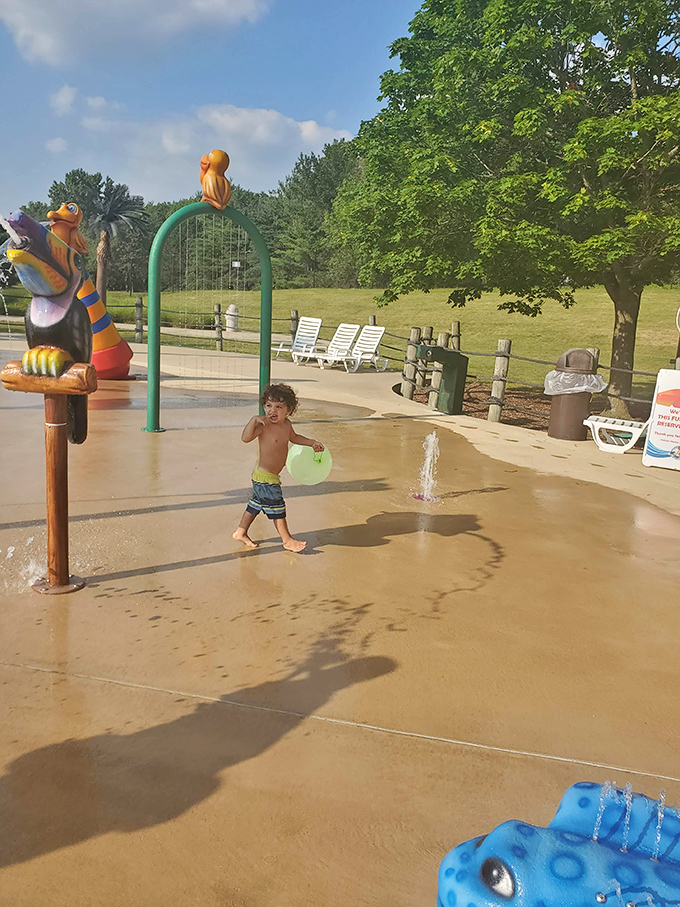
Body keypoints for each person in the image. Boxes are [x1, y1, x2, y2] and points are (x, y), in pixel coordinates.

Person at [233, 383, 324, 552]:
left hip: (270, 476)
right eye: (268, 405)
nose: (271, 411)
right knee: (278, 508)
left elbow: (295, 438)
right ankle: (287, 540)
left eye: (278, 407)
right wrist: (253, 420)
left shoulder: (286, 425)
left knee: (255, 505)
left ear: (289, 410)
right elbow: (245, 438)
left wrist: (311, 443)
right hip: (264, 477)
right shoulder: (263, 425)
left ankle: (241, 531)